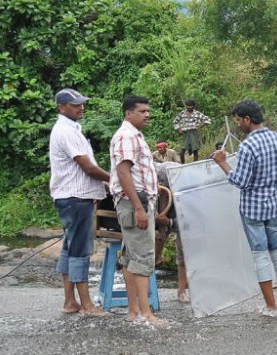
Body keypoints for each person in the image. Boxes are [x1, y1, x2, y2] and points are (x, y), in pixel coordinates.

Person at [212, 99, 277, 315]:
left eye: (238, 120)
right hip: (273, 206)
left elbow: (240, 181)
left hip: (252, 209)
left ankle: (271, 306)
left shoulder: (247, 146)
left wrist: (222, 162)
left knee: (260, 256)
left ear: (247, 119)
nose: (238, 124)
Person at [49, 88, 111, 315]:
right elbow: (88, 167)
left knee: (70, 247)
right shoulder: (65, 131)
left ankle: (70, 302)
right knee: (80, 251)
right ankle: (87, 305)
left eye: (81, 103)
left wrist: (103, 182)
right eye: (75, 105)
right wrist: (114, 180)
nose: (80, 107)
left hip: (71, 197)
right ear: (61, 107)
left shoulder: (70, 129)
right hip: (75, 199)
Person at [109, 95, 166, 328]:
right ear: (128, 113)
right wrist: (140, 208)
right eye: (142, 111)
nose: (147, 115)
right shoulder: (127, 136)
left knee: (131, 257)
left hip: (136, 202)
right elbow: (123, 172)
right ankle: (145, 313)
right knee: (142, 256)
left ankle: (134, 311)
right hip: (134, 204)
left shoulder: (133, 135)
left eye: (148, 111)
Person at [154, 161, 189, 303]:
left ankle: (182, 290)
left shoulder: (185, 192)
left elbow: (187, 222)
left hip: (178, 217)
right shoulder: (155, 188)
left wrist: (169, 222)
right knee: (154, 245)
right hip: (160, 216)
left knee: (184, 253)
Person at [172, 98, 212, 163]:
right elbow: (175, 121)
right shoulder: (182, 113)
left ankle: (195, 164)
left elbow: (207, 120)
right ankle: (183, 165)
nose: (188, 107)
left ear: (193, 106)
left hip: (193, 132)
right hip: (185, 133)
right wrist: (179, 129)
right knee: (182, 151)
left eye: (190, 106)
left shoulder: (197, 113)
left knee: (195, 150)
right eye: (187, 106)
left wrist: (200, 126)